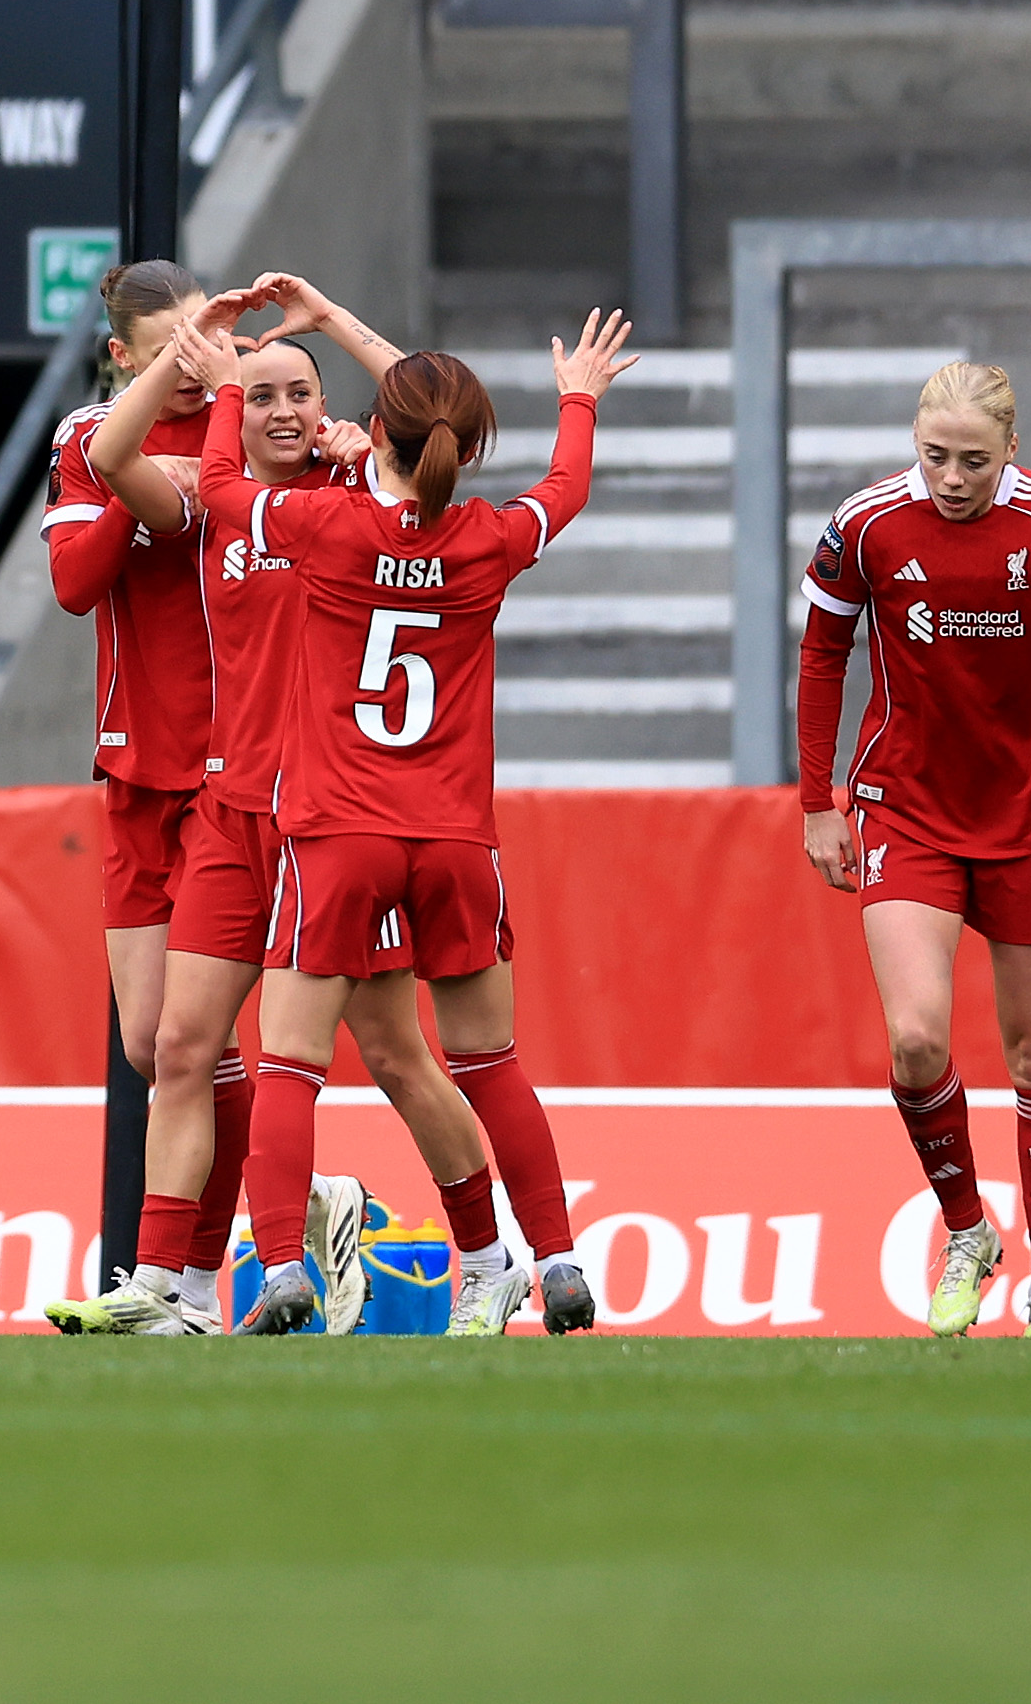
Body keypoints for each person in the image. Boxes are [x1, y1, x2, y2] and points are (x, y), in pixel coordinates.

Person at [211, 292, 637, 1338]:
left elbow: (222, 485)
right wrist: (577, 399)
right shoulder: (491, 538)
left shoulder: (323, 522)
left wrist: (227, 382)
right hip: (453, 839)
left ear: (379, 435)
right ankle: (556, 1260)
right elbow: (566, 485)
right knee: (490, 1064)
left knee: (291, 1064)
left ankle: (282, 1271)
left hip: (338, 832)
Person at [45, 313, 451, 1338]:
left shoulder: (352, 485)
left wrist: (326, 324)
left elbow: (428, 406)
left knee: (394, 1052)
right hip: (204, 797)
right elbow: (95, 508)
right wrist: (213, 383)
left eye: (297, 394)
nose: (277, 408)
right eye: (257, 392)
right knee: (173, 1042)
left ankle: (499, 1252)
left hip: (333, 810)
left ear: (326, 406)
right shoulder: (208, 485)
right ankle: (179, 1280)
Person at [797, 362, 1031, 1340]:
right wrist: (818, 803)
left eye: (973, 460)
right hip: (906, 811)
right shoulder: (866, 526)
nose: (951, 476)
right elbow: (823, 655)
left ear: (1011, 452)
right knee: (916, 1040)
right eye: (934, 454)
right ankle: (968, 1229)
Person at [42, 259, 221, 1300]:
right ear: (123, 360)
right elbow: (72, 585)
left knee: (196, 1042)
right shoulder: (87, 440)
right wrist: (138, 472)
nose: (191, 379)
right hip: (133, 767)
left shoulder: (256, 424)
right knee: (153, 1044)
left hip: (237, 771)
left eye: (202, 351)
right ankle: (308, 1197)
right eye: (166, 361)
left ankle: (187, 1281)